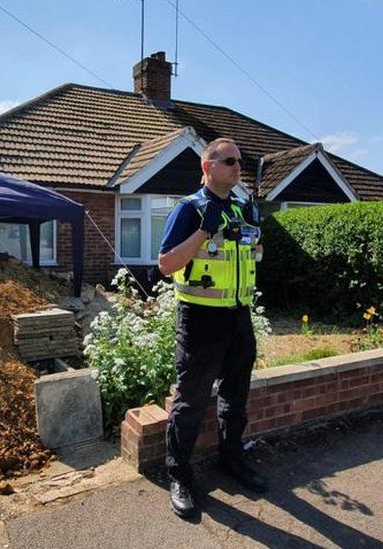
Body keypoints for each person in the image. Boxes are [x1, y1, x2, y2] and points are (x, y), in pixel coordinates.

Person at [157, 137, 268, 519]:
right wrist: (203, 231)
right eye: (231, 160)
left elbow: (254, 256)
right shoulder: (189, 209)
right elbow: (166, 264)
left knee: (235, 397)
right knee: (191, 402)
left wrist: (255, 229)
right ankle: (179, 475)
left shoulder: (243, 208)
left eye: (241, 160)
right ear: (208, 167)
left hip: (239, 316)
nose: (239, 167)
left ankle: (231, 458)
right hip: (201, 320)